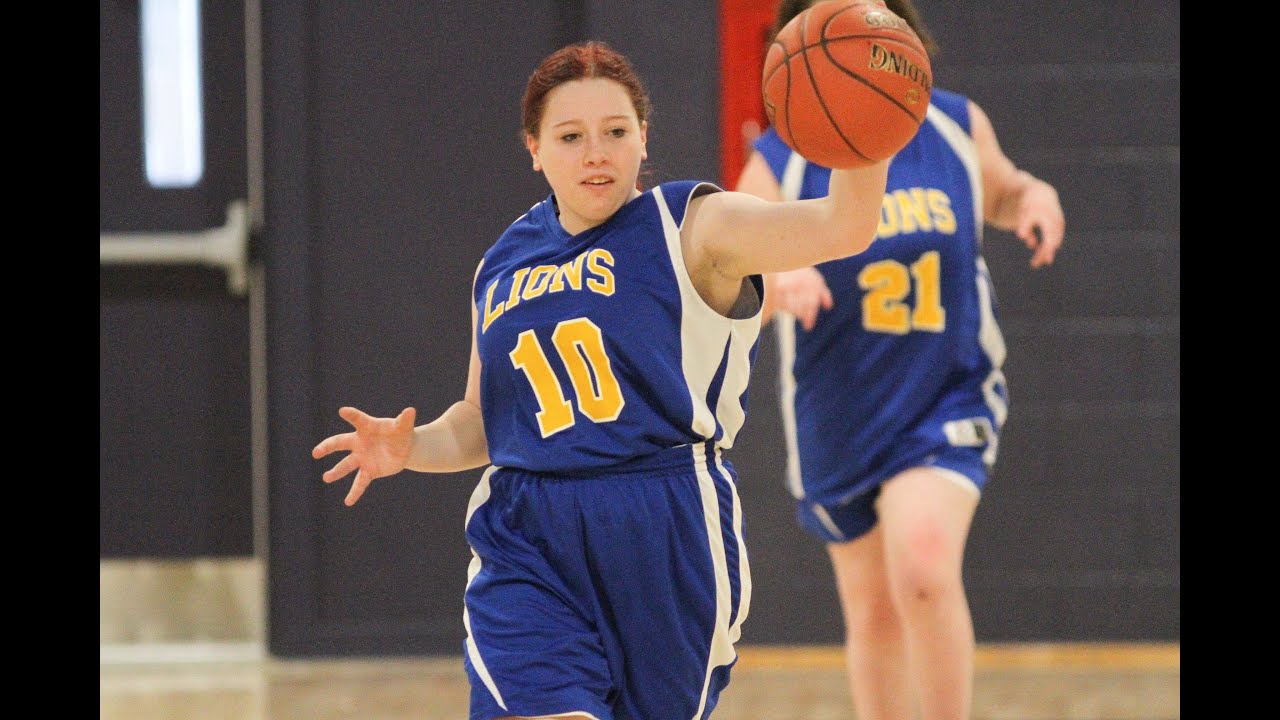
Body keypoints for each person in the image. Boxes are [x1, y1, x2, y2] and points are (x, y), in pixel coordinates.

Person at [312, 40, 897, 720]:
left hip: (667, 526)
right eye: (570, 136)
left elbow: (845, 225)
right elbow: (483, 421)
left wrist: (869, 124)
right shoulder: (501, 263)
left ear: (643, 138)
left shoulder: (694, 227)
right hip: (527, 531)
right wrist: (410, 448)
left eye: (616, 132)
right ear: (534, 148)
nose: (596, 152)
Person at [734, 2, 1066, 719]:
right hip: (839, 406)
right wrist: (776, 279)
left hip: (944, 394)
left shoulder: (953, 121)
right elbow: (730, 277)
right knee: (874, 610)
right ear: (804, 41)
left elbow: (1003, 190)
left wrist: (1035, 196)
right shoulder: (780, 159)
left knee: (920, 565)